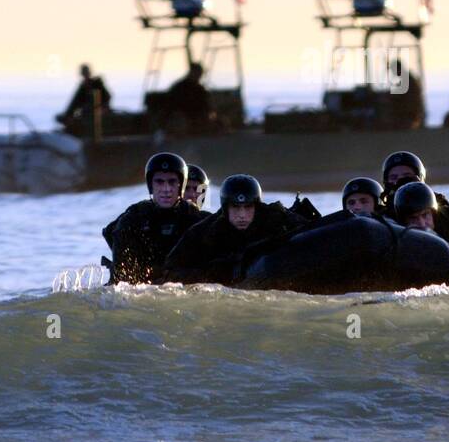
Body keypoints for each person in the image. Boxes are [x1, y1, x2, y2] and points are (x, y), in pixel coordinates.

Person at [163, 174, 306, 285]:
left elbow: (313, 231)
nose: (242, 215)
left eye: (248, 207)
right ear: (225, 208)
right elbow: (171, 272)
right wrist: (215, 272)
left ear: (257, 207)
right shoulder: (205, 232)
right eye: (236, 207)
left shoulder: (276, 217)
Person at [101, 152, 209, 284]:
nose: (166, 189)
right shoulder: (133, 218)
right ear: (151, 185)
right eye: (159, 182)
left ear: (180, 185)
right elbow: (122, 278)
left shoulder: (199, 220)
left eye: (172, 181)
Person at [163, 62, 215, 132]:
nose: (200, 76)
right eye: (199, 73)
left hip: (194, 119)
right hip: (183, 120)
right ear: (193, 73)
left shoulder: (199, 89)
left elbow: (206, 105)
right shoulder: (180, 87)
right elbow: (172, 105)